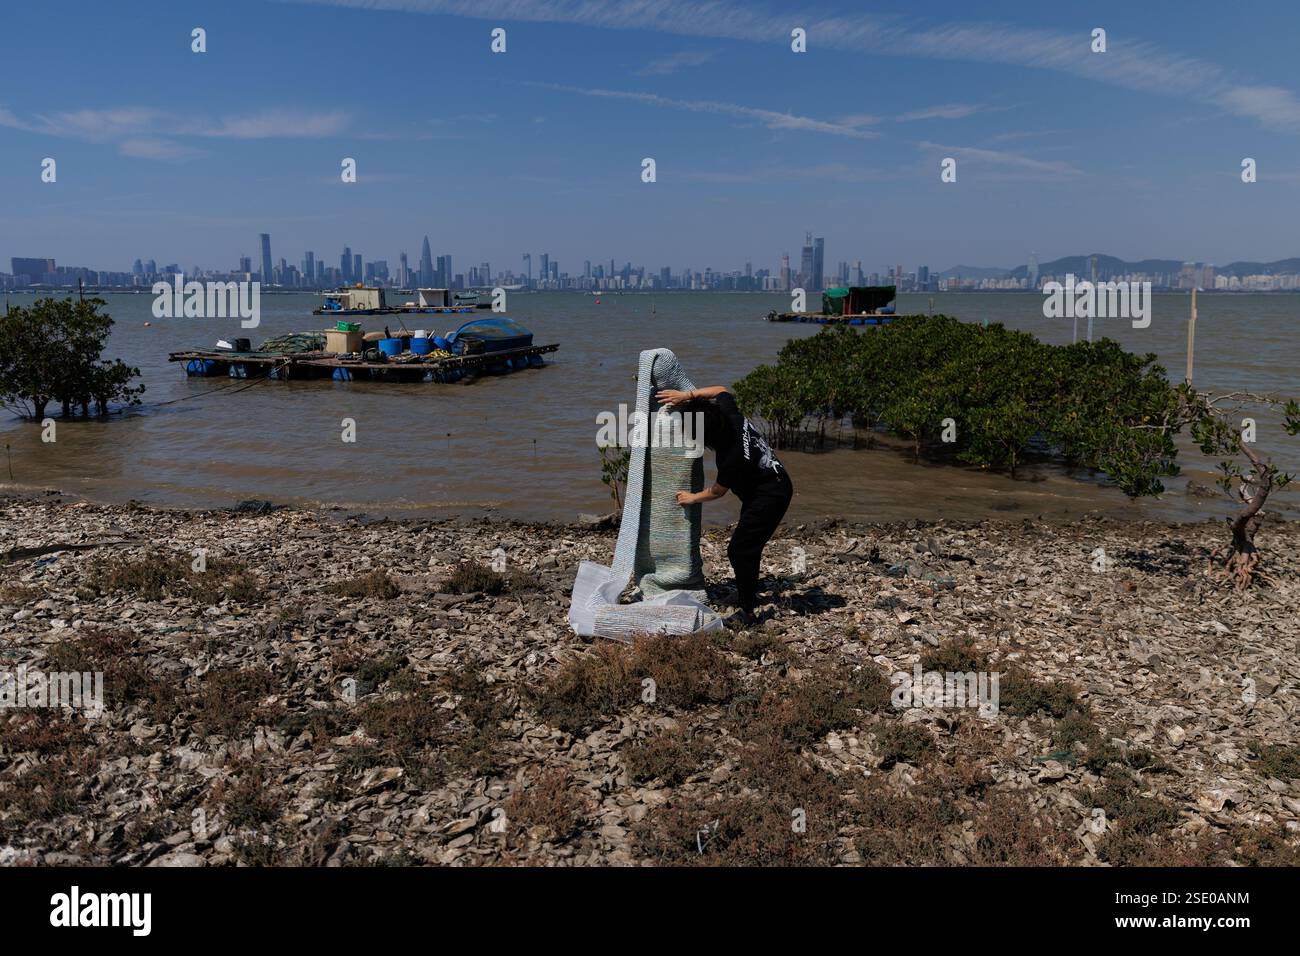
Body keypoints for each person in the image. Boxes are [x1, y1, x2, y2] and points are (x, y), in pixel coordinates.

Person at [656, 384, 793, 627]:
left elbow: (718, 491)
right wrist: (687, 397)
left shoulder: (732, 457)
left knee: (740, 551)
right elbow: (721, 390)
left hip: (771, 495)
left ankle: (748, 613)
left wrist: (692, 497)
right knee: (748, 546)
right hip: (766, 483)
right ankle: (746, 591)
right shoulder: (730, 415)